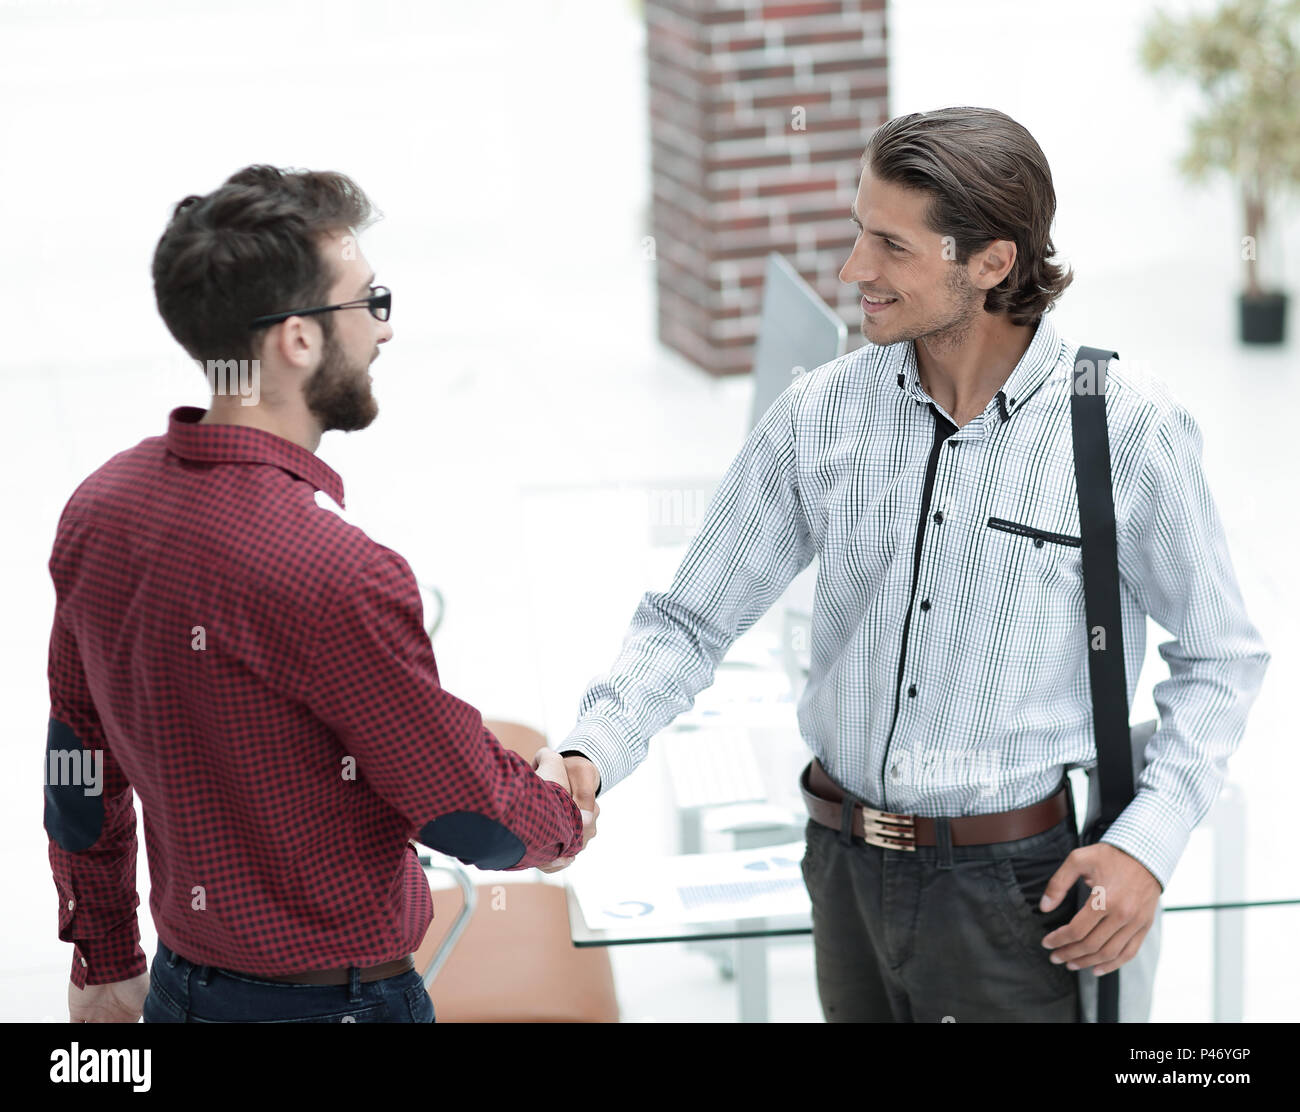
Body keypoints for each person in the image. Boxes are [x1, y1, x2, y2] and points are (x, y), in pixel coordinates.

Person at [557, 107, 1270, 1021]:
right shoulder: (820, 414)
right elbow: (693, 619)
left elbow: (1224, 654)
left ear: (990, 263)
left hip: (1018, 898)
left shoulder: (1122, 428)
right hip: (841, 866)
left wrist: (1147, 844)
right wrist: (592, 750)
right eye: (860, 233)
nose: (855, 269)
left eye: (890, 246)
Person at [44, 165, 595, 1024]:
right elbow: (464, 813)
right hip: (336, 1005)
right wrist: (559, 817)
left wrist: (104, 954)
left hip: (181, 991)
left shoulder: (100, 509)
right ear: (297, 339)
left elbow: (77, 766)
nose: (383, 331)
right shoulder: (334, 569)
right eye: (368, 303)